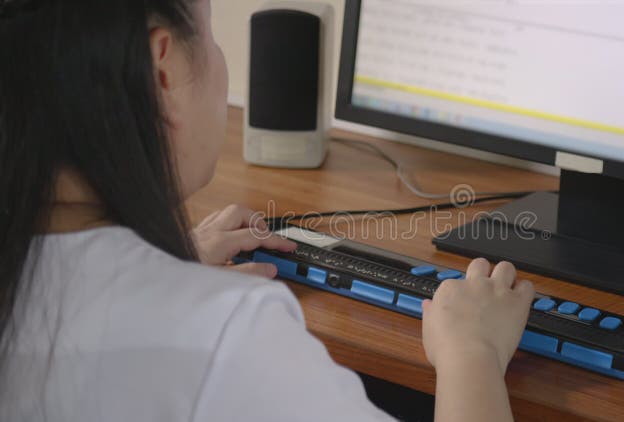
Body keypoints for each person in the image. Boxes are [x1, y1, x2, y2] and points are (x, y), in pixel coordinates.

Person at [0, 0, 536, 420]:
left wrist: (168, 268)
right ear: (161, 69)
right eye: (210, 33)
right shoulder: (228, 331)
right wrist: (473, 355)